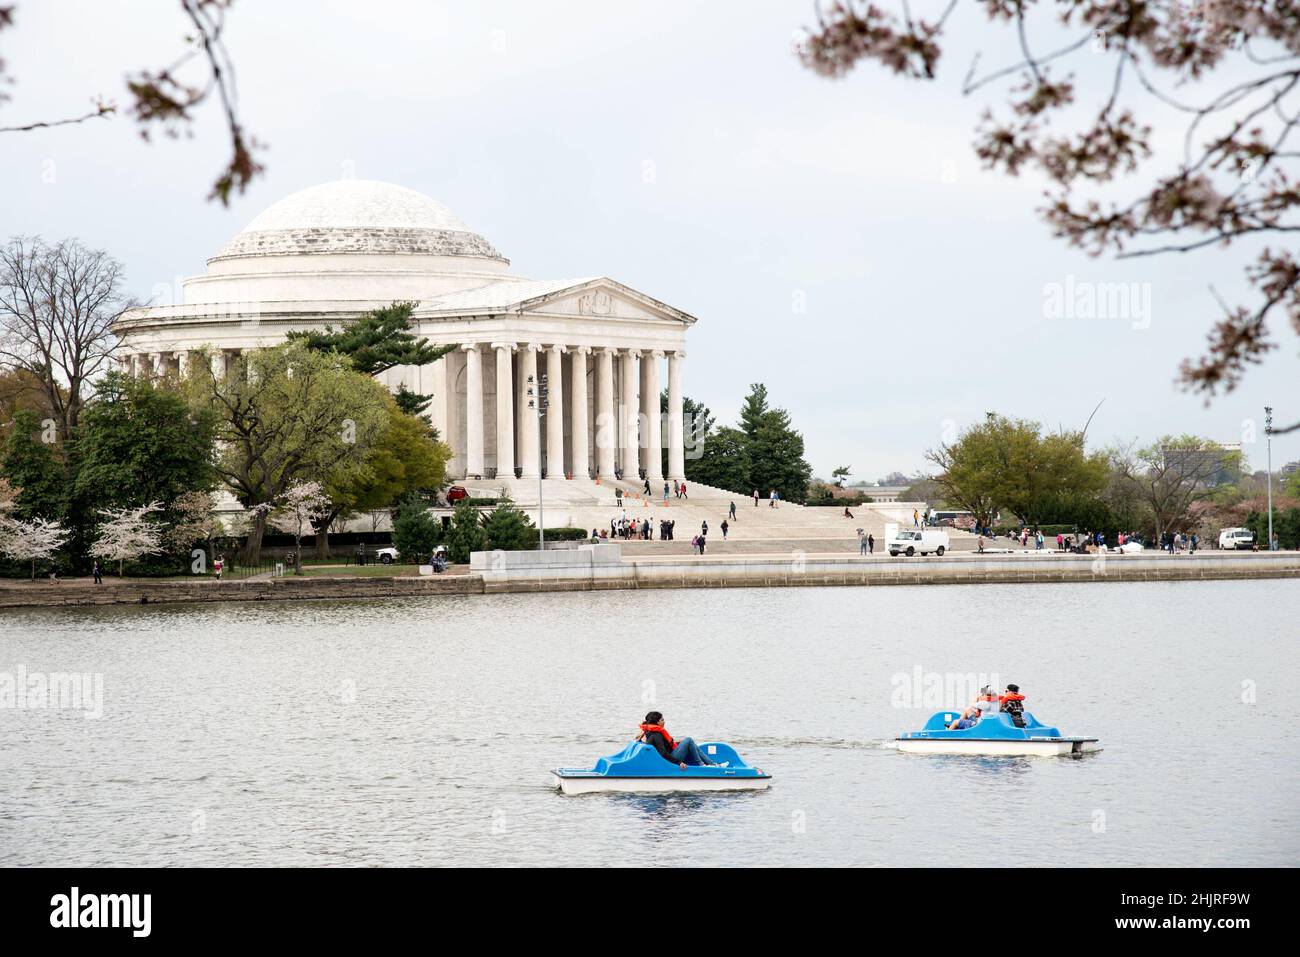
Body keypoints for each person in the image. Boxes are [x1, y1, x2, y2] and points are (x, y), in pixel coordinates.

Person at [637, 711, 719, 768]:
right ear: (657, 722)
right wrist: (679, 762)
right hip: (669, 760)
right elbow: (663, 753)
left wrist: (678, 743)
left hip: (669, 756)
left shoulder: (650, 732)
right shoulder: (656, 735)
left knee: (690, 743)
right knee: (688, 740)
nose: (664, 722)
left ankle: (712, 764)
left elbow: (664, 746)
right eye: (662, 720)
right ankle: (701, 765)